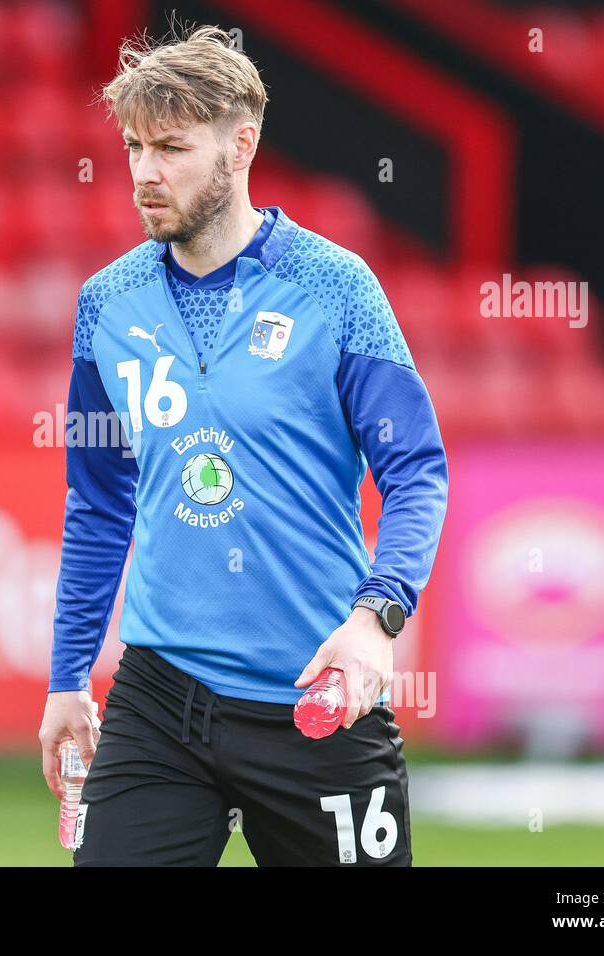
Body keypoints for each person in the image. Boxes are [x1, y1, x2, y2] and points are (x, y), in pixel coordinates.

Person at [38, 24, 448, 866]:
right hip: (159, 701)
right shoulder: (105, 305)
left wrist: (378, 618)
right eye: (133, 147)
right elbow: (99, 502)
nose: (145, 173)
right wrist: (67, 678)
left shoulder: (338, 288)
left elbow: (415, 470)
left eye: (172, 148)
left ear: (242, 145)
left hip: (315, 701)